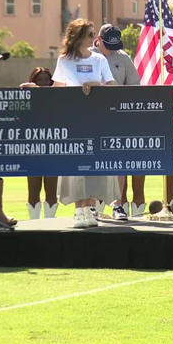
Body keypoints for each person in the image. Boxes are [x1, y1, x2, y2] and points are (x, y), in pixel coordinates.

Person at [51, 18, 120, 228]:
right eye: (90, 34)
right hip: (73, 121)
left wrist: (96, 85)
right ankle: (79, 211)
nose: (94, 38)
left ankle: (90, 209)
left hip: (98, 121)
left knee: (95, 169)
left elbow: (112, 86)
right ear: (79, 36)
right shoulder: (64, 60)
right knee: (76, 169)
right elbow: (57, 90)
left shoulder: (100, 60)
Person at [90, 24, 145, 219]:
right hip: (91, 117)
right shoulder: (86, 56)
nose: (112, 49)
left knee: (118, 162)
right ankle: (93, 205)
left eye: (115, 44)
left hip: (117, 117)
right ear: (98, 38)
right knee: (93, 163)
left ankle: (117, 205)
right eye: (108, 44)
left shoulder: (123, 57)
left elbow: (134, 86)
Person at [19, 67, 59, 220]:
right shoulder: (26, 99)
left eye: (46, 80)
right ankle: (34, 223)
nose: (43, 83)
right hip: (33, 151)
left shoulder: (57, 100)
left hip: (53, 151)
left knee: (51, 191)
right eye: (39, 80)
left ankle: (49, 223)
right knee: (33, 191)